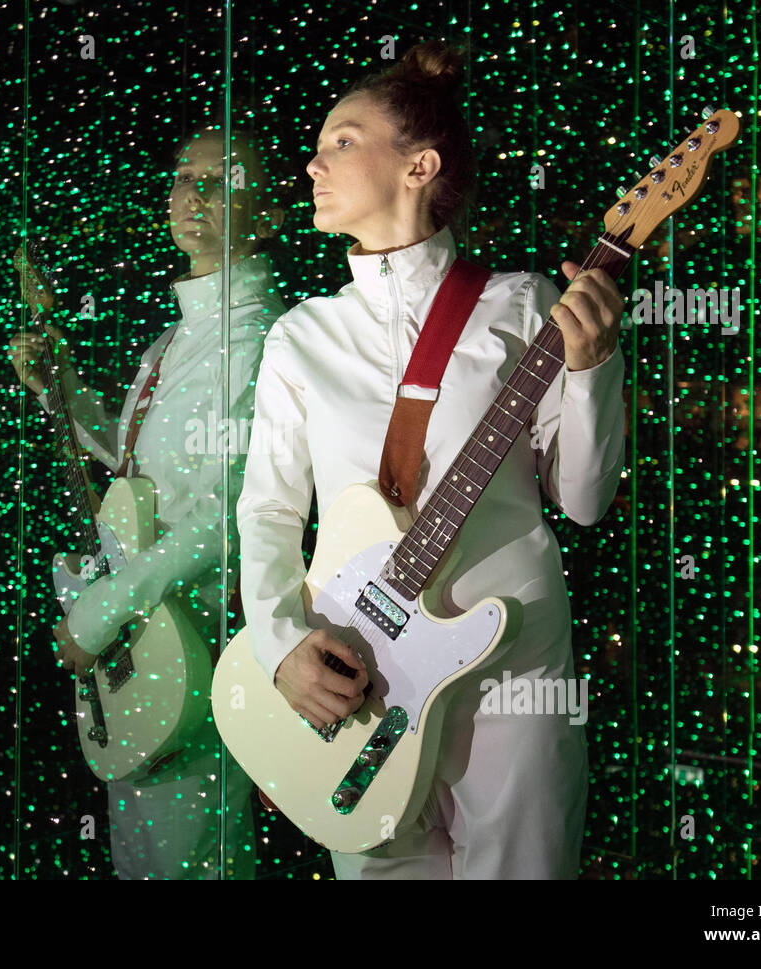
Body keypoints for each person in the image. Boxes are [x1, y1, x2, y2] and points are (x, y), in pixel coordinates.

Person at [236, 40, 627, 879]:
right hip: (362, 674)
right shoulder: (300, 337)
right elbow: (267, 512)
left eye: (342, 140)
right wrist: (279, 646)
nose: (312, 163)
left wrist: (593, 371)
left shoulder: (523, 305)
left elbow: (586, 499)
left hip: (510, 671)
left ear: (419, 165)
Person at [9, 125, 287, 879]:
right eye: (182, 177)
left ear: (270, 216)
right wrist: (61, 394)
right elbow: (141, 477)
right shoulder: (172, 340)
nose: (192, 196)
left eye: (220, 180)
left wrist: (98, 612)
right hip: (146, 647)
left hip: (190, 649)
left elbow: (229, 516)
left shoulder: (257, 340)